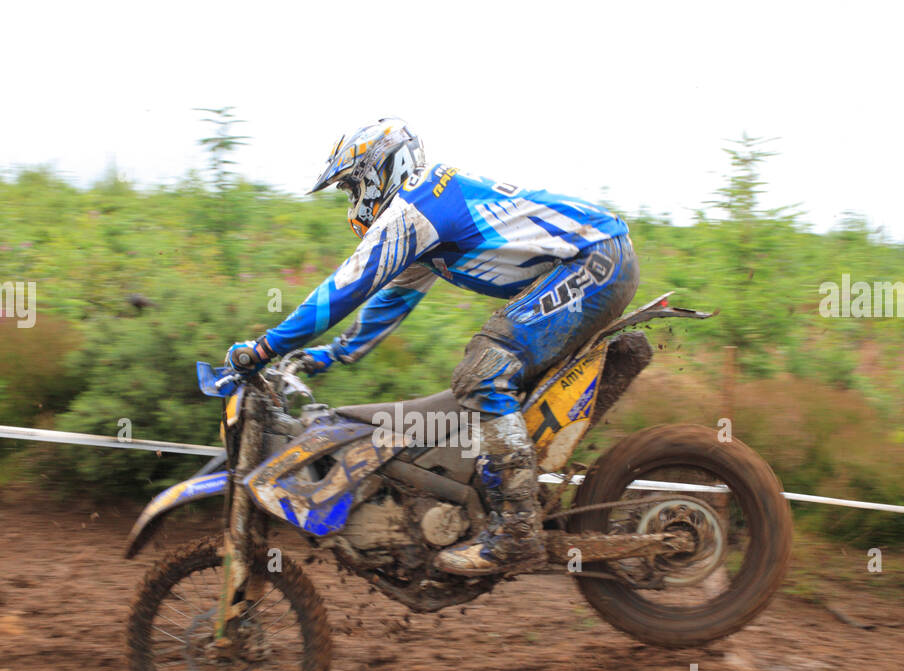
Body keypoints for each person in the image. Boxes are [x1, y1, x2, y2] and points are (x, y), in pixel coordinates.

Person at [225, 118, 639, 577]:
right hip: (598, 259)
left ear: (378, 172)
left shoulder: (416, 204)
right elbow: (392, 297)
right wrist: (334, 354)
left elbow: (347, 286)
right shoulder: (426, 212)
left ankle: (517, 531)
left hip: (598, 259)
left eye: (351, 188)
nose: (352, 201)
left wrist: (264, 348)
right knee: (495, 374)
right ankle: (499, 493)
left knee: (485, 369)